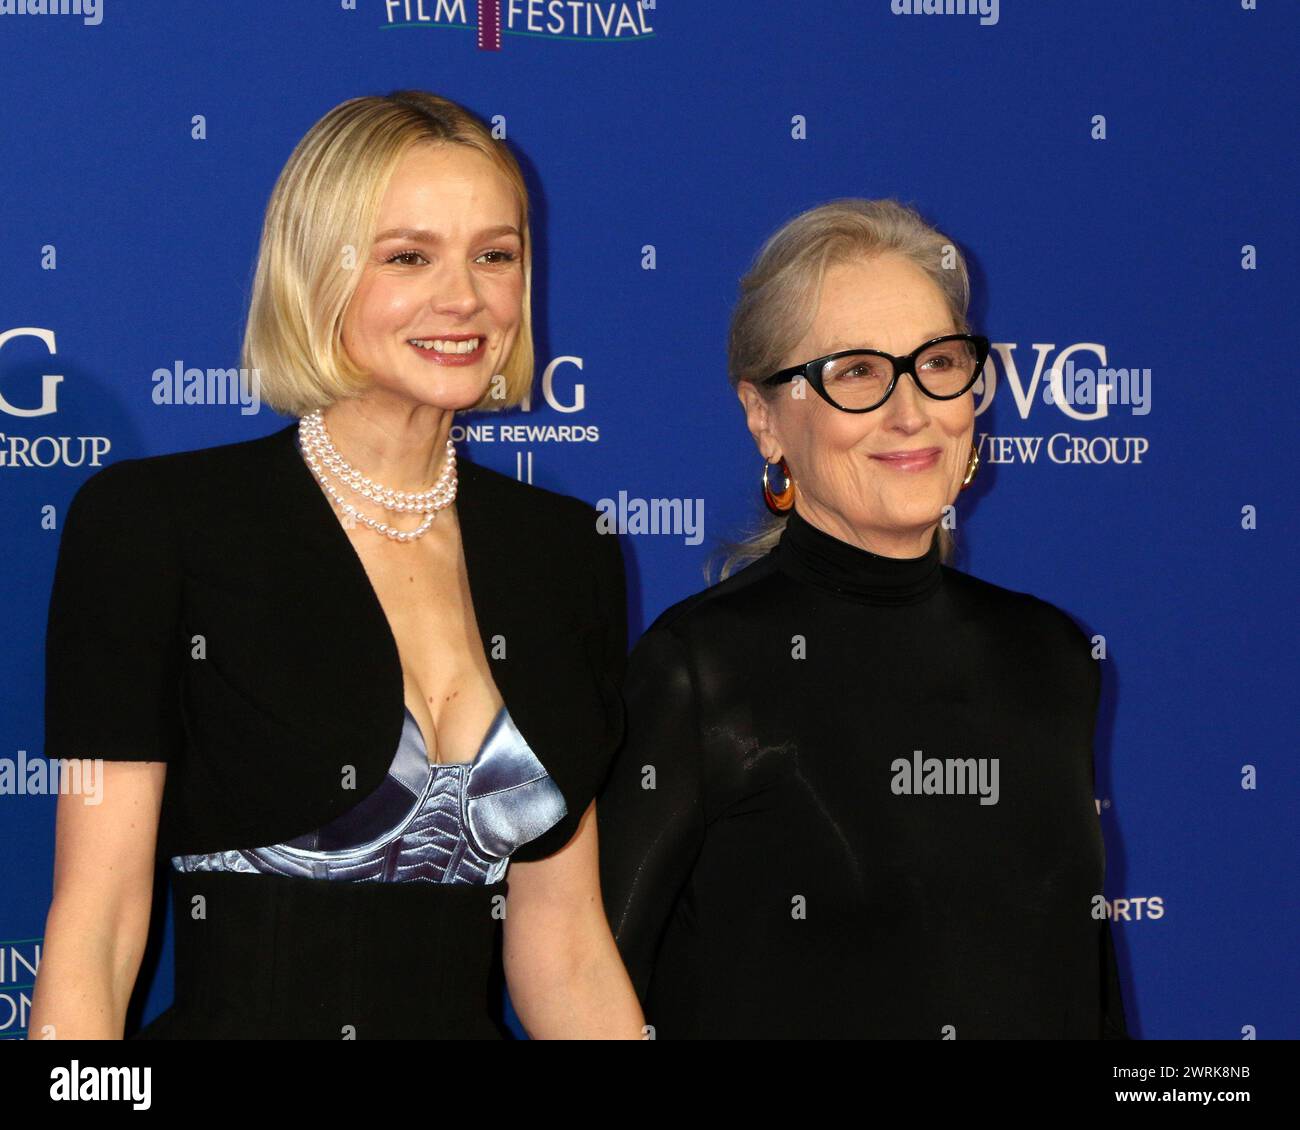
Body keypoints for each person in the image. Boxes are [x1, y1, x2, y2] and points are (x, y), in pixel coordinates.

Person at [31, 90, 643, 1040]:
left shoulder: (565, 552)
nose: (465, 297)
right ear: (314, 274)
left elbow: (564, 942)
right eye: (409, 256)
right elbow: (97, 924)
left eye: (496, 254)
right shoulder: (159, 527)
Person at [597, 198, 1129, 1039]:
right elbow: (587, 990)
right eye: (856, 373)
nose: (911, 410)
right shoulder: (698, 672)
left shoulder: (1051, 656)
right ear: (764, 418)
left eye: (938, 362)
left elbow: (1085, 998)